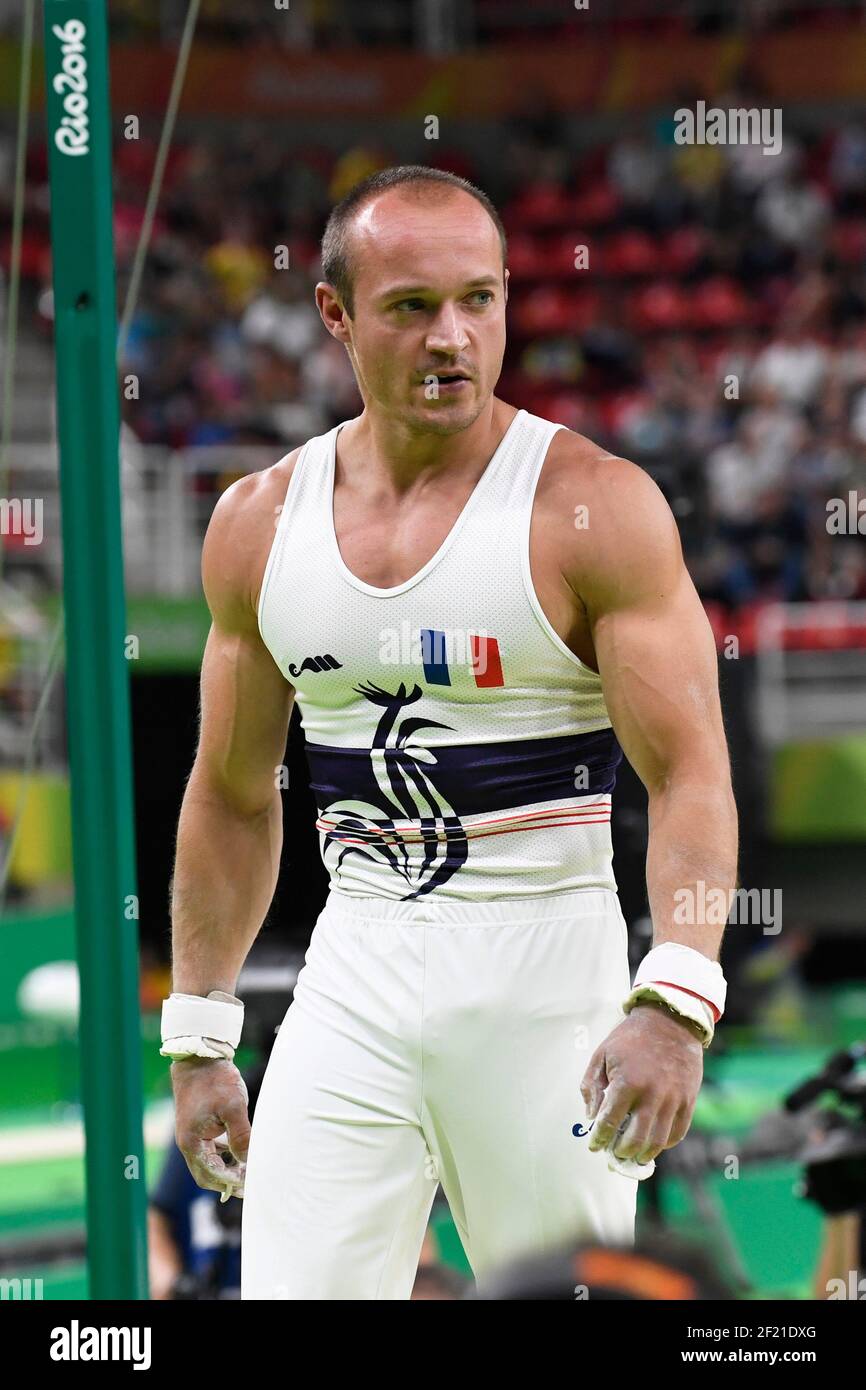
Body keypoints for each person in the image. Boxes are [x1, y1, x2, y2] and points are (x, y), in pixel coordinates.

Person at [160, 166, 738, 1300]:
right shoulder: (258, 523)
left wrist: (675, 998)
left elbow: (690, 777)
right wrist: (199, 1032)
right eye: (412, 306)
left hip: (544, 972)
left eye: (480, 301)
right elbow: (230, 795)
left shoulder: (592, 505)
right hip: (354, 960)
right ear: (336, 315)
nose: (453, 339)